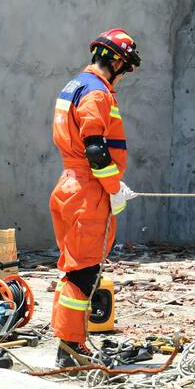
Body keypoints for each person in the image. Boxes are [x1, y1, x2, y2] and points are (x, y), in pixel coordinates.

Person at [49, 28, 140, 364]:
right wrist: (114, 187)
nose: (124, 75)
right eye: (125, 67)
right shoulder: (98, 93)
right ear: (115, 60)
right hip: (88, 191)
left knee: (72, 270)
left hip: (69, 186)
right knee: (84, 273)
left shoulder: (73, 86)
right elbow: (96, 150)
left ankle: (67, 340)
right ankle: (70, 349)